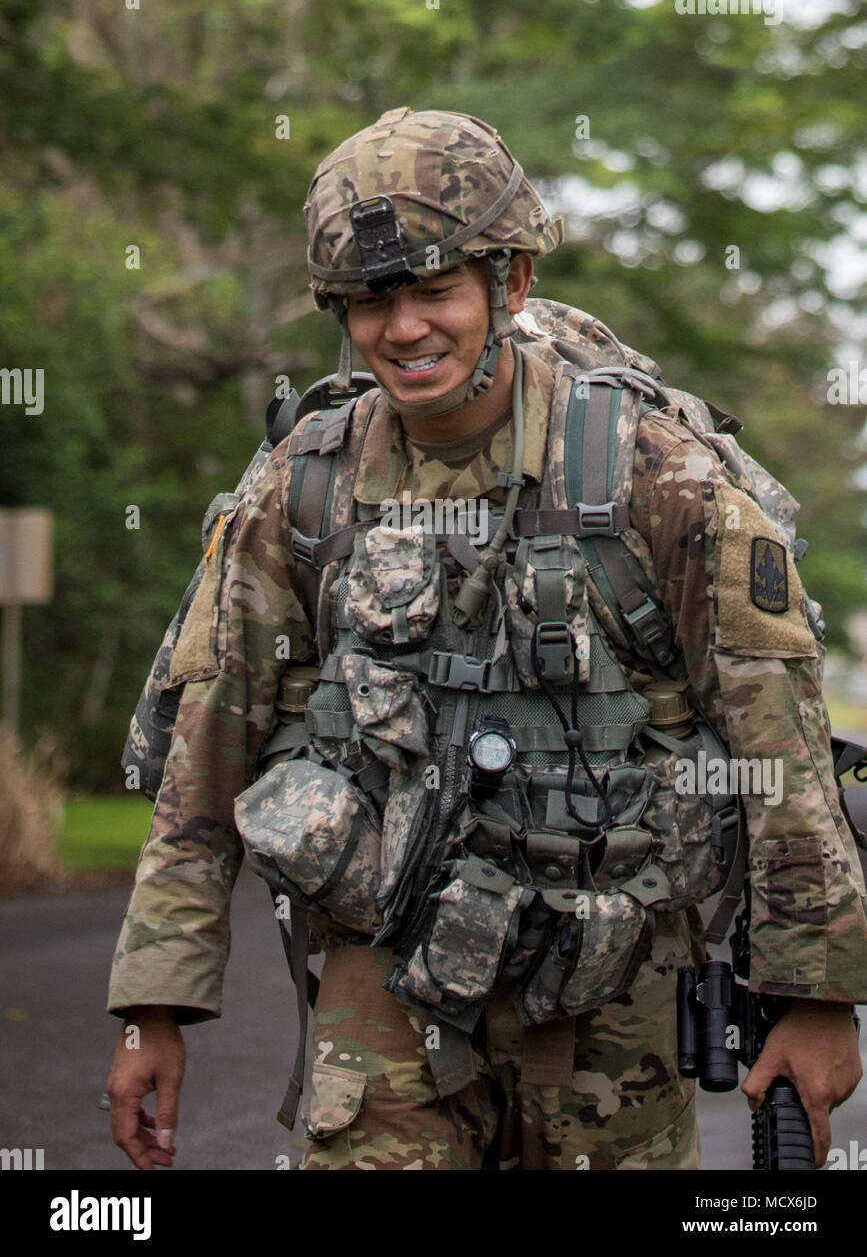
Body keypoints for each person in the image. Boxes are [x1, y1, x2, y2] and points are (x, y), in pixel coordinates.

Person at [107, 107, 866, 1171]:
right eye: (372, 301)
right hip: (387, 970)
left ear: (506, 285)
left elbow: (780, 750)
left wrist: (816, 996)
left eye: (434, 290)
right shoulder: (306, 487)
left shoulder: (655, 477)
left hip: (608, 972)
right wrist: (155, 1005)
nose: (404, 329)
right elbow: (210, 743)